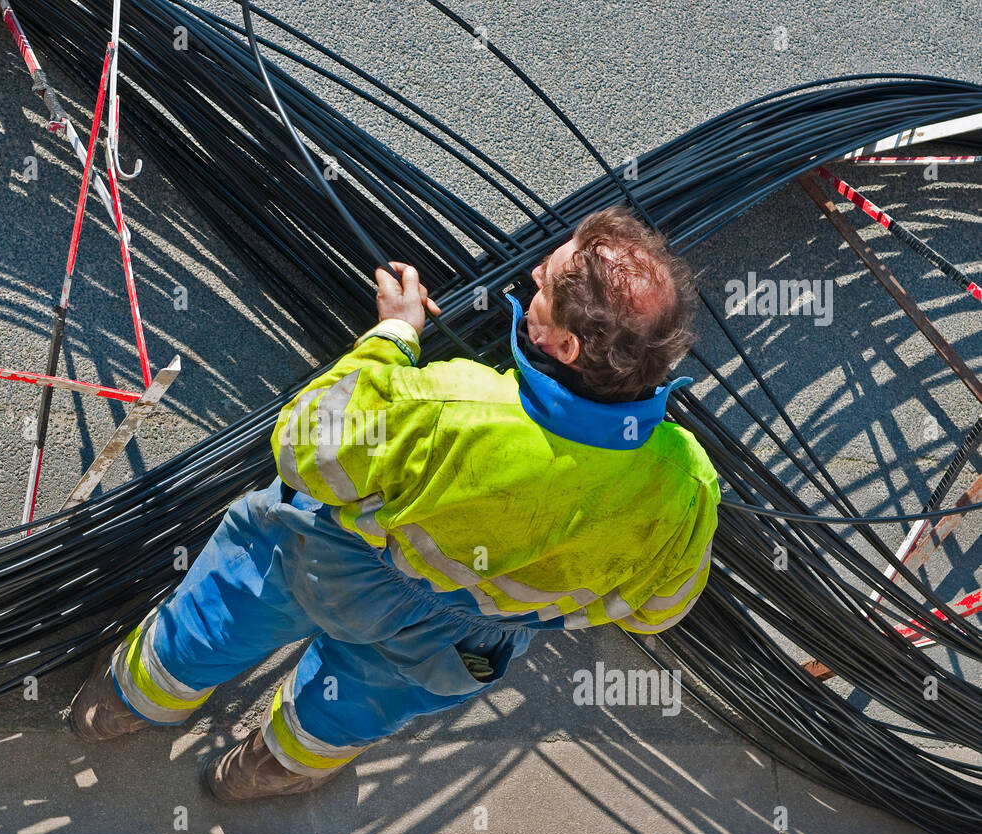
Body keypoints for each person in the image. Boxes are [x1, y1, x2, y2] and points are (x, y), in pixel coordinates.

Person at [68, 205, 719, 802]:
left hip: (336, 567)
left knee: (228, 609)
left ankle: (126, 704)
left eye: (543, 286)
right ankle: (269, 771)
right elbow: (657, 611)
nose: (529, 277)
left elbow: (307, 446)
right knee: (354, 704)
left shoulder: (453, 407)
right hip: (467, 640)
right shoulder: (687, 480)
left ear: (568, 348)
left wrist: (391, 337)